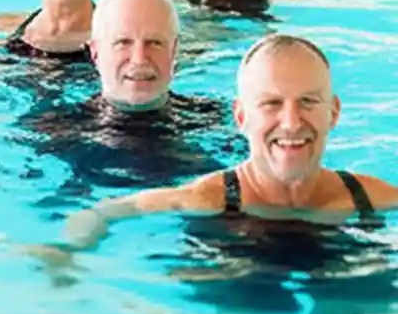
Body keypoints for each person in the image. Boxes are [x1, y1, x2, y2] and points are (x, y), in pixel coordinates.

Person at [63, 34, 398, 250]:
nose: (292, 122)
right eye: (271, 104)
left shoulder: (367, 199)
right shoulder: (207, 200)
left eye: (308, 102)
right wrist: (66, 258)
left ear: (334, 113)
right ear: (241, 118)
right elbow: (103, 213)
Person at [6, 0, 233, 200]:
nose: (139, 59)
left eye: (154, 43)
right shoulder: (53, 132)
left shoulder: (213, 121)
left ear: (173, 51)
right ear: (95, 53)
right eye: (123, 42)